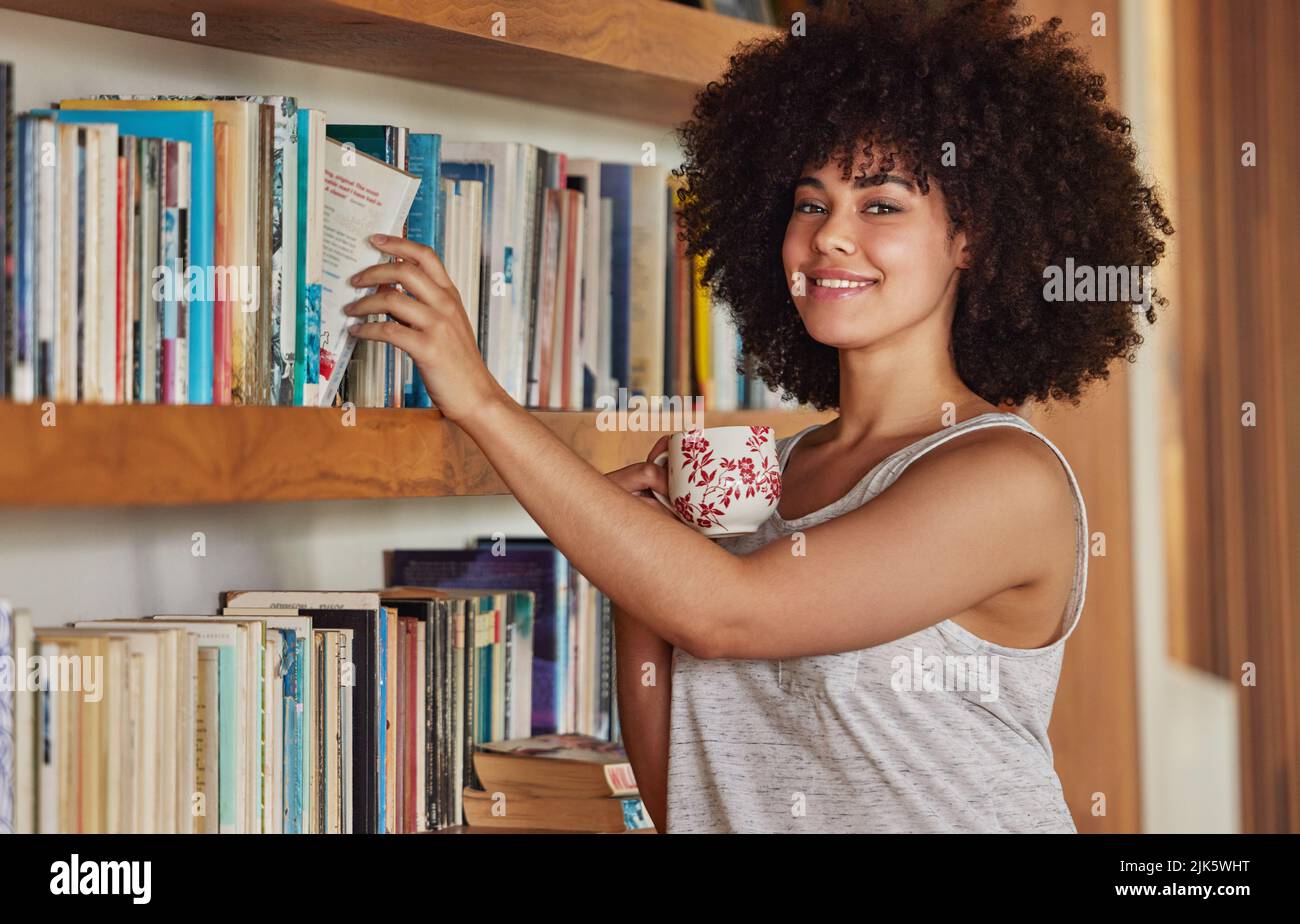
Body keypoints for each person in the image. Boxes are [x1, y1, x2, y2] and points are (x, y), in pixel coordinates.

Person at [343, 0, 1173, 832]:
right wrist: (645, 561)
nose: (831, 237)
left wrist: (481, 401)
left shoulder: (1005, 479)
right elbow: (686, 798)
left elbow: (727, 612)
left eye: (881, 206)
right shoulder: (757, 482)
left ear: (972, 239)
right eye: (811, 204)